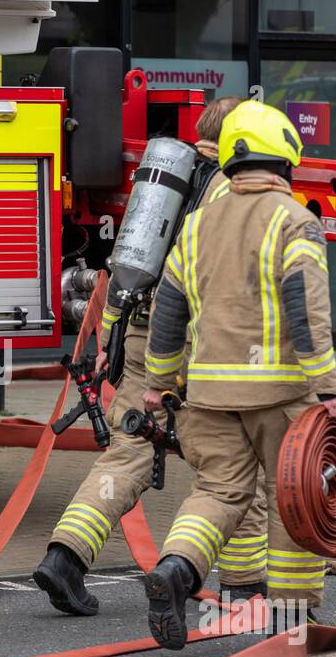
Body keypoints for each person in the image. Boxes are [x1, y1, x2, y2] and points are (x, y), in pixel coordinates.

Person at [32, 96, 270, 616]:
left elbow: (123, 275)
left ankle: (65, 558)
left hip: (139, 332)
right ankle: (245, 588)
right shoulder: (234, 191)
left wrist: (111, 353)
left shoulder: (166, 180)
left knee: (128, 451)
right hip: (192, 344)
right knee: (234, 466)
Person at [141, 99, 336, 649]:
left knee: (219, 492)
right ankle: (288, 622)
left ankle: (176, 570)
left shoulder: (197, 223)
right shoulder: (295, 219)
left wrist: (159, 384)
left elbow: (168, 311)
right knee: (295, 496)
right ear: (285, 157)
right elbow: (306, 311)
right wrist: (328, 388)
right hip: (280, 392)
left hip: (206, 394)